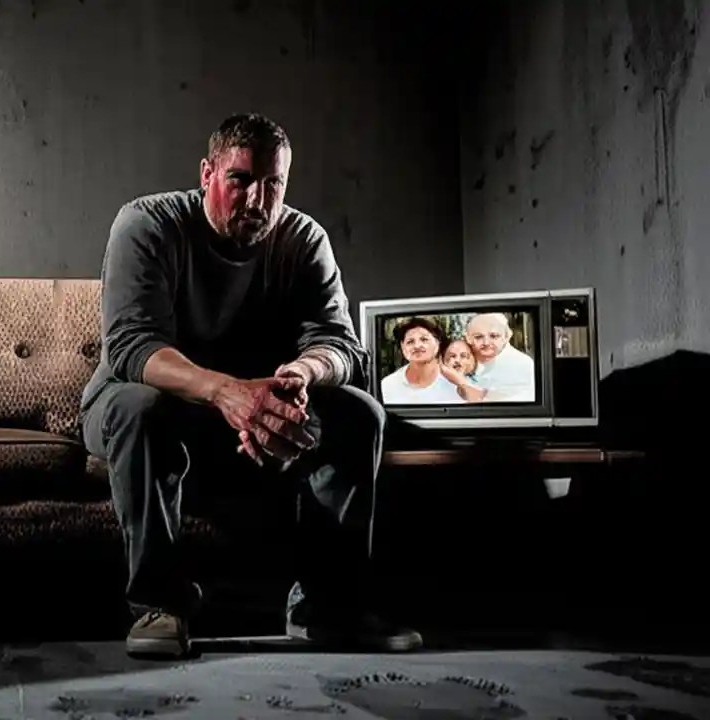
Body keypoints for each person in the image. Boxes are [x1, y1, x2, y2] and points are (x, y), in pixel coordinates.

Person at [79, 113, 422, 658]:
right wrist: (227, 392)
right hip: (152, 404)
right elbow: (131, 347)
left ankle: (327, 608)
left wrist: (300, 376)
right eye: (240, 180)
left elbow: (340, 345)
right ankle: (158, 605)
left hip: (259, 409)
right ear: (207, 174)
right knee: (139, 408)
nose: (258, 200)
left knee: (360, 415)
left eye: (274, 184)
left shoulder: (305, 239)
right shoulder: (146, 223)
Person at [379, 318, 466, 405]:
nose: (417, 346)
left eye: (424, 339)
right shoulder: (388, 385)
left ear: (438, 342)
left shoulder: (457, 381)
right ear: (402, 346)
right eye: (410, 342)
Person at [464, 313, 536, 402]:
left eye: (494, 336)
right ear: (468, 338)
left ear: (506, 337)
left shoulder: (521, 364)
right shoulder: (461, 359)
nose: (486, 342)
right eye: (478, 337)